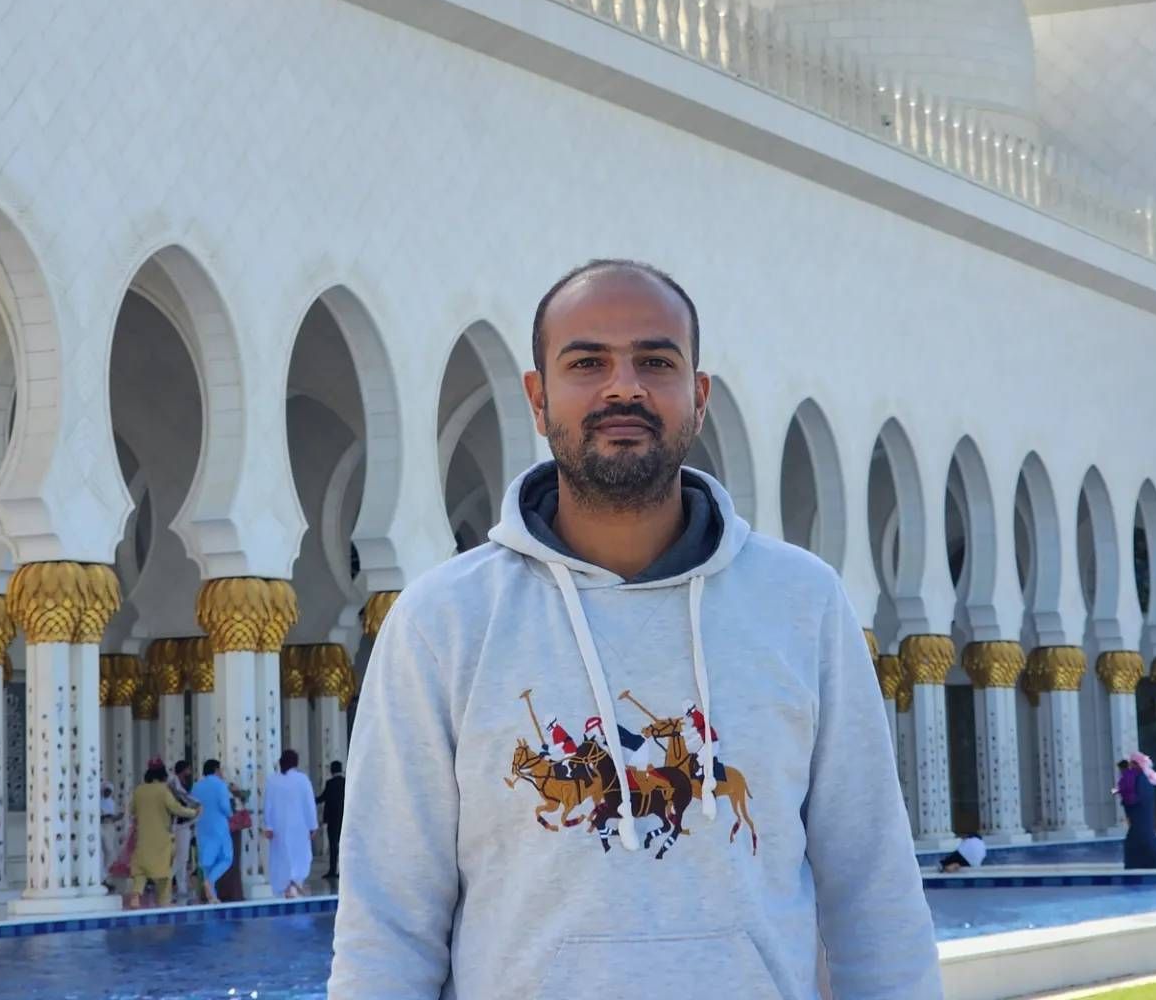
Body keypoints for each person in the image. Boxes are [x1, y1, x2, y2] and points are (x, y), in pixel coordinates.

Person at [330, 260, 942, 1000]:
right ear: (538, 397)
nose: (624, 387)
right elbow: (387, 925)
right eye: (587, 362)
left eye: (655, 361)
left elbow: (874, 893)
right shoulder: (443, 622)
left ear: (699, 397)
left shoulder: (802, 604)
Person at [128, 761, 197, 909]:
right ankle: (164, 900)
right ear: (163, 774)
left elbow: (132, 810)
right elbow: (176, 808)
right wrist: (194, 812)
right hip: (161, 836)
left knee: (141, 869)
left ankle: (136, 894)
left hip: (143, 836)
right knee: (163, 869)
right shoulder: (163, 790)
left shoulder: (139, 790)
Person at [264, 749, 318, 899]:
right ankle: (294, 883)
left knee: (280, 858)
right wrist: (313, 825)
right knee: (299, 855)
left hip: (278, 827)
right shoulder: (302, 780)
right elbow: (309, 804)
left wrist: (268, 825)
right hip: (299, 826)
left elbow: (267, 805)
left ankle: (285, 887)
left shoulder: (272, 781)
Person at [191, 759, 234, 904]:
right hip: (218, 826)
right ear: (216, 770)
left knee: (207, 862)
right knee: (226, 857)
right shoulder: (220, 785)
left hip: (202, 827)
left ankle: (212, 897)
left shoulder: (196, 786)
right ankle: (210, 881)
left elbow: (193, 806)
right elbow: (225, 807)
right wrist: (231, 814)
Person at [1118, 753, 1156, 869]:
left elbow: (1130, 798)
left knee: (1139, 841)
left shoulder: (1136, 777)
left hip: (1139, 815)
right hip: (1144, 815)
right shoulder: (1145, 778)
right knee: (1143, 839)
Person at [168, 759, 198, 905]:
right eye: (188, 769)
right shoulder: (174, 783)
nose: (190, 772)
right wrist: (196, 806)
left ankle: (182, 887)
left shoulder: (181, 783)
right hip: (179, 823)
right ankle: (166, 881)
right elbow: (183, 798)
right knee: (181, 857)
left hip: (185, 823)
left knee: (183, 858)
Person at [316, 761, 346, 881]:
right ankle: (343, 870)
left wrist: (310, 800)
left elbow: (323, 798)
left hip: (332, 820)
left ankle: (333, 870)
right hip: (344, 818)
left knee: (333, 845)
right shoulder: (346, 782)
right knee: (343, 845)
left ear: (332, 770)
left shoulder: (330, 783)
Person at [99, 782, 119, 886]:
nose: (107, 793)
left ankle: (104, 875)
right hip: (101, 827)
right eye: (106, 790)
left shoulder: (112, 803)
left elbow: (113, 817)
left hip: (110, 827)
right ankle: (101, 877)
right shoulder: (98, 801)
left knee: (110, 852)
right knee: (102, 853)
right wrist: (104, 817)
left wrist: (116, 817)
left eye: (109, 791)